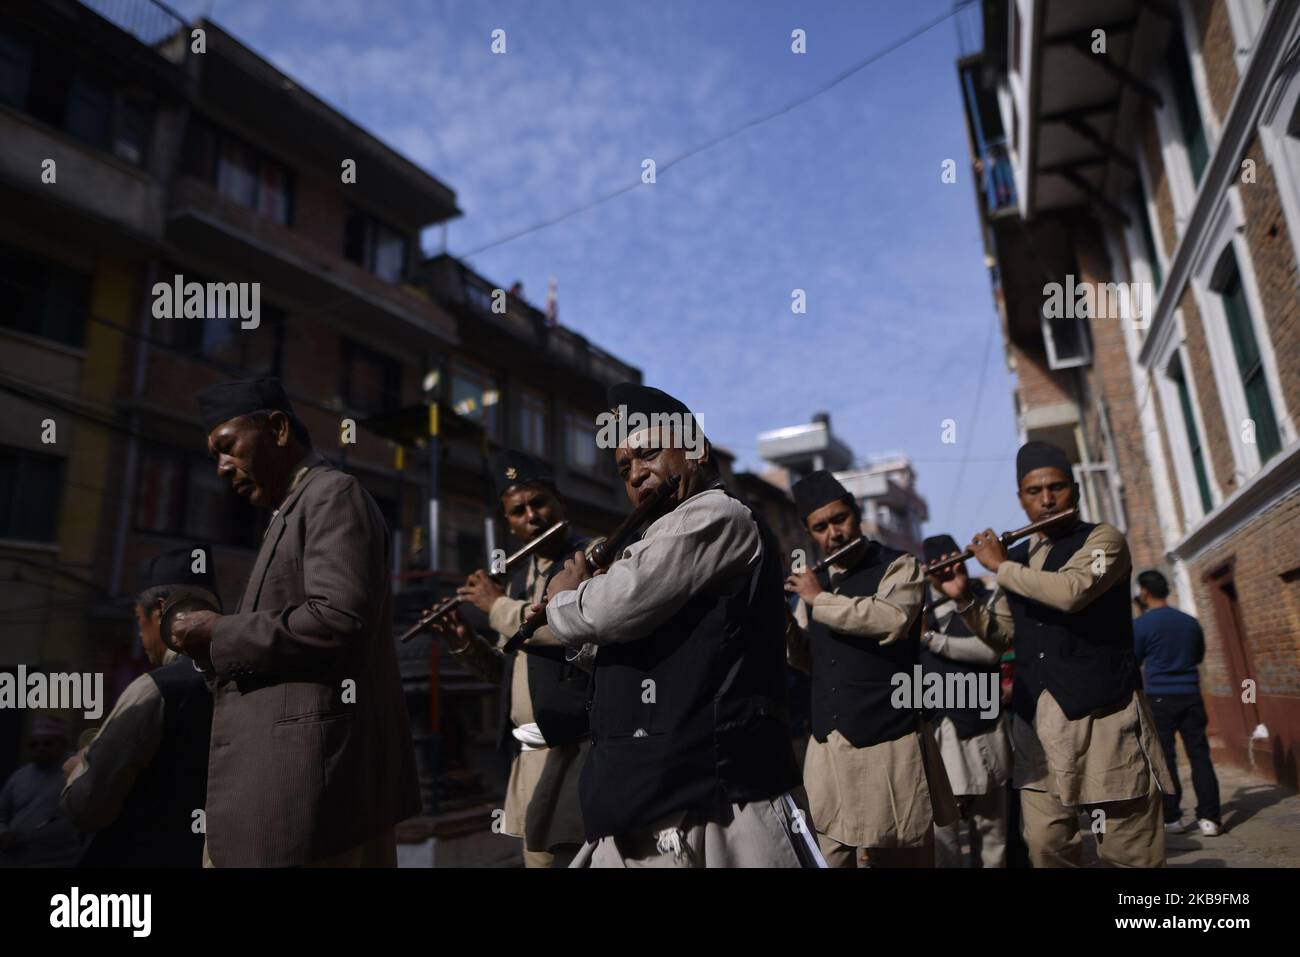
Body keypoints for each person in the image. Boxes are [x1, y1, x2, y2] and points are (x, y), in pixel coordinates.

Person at [541, 383, 812, 867]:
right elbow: (622, 643)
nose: (637, 474)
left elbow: (611, 608)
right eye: (624, 468)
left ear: (696, 450)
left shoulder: (717, 513)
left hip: (715, 801)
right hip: (644, 793)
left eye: (647, 453)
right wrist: (585, 617)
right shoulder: (655, 540)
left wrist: (564, 596)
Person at [169, 377, 419, 867]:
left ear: (279, 429)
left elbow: (338, 619)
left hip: (315, 798)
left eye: (228, 447)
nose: (221, 467)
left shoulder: (332, 494)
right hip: (286, 796)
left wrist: (217, 632)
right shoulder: (291, 508)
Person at [932, 440, 1173, 867]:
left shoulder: (1104, 541)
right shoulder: (1022, 556)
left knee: (1126, 849)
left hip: (1103, 715)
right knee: (1046, 846)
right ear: (1021, 499)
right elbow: (1003, 636)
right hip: (1036, 724)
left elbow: (1071, 592)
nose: (1046, 500)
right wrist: (966, 600)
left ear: (1074, 491)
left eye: (1056, 488)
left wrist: (1000, 567)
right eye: (1034, 492)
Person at [784, 470, 955, 867]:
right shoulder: (819, 582)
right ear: (810, 533)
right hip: (830, 745)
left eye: (839, 519)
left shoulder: (900, 566)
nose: (834, 534)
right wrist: (787, 623)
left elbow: (891, 619)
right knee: (832, 855)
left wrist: (817, 599)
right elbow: (809, 659)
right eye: (821, 527)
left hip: (889, 738)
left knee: (899, 853)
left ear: (856, 514)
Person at [429, 450, 592, 867]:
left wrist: (497, 607)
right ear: (509, 523)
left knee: (572, 859)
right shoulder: (519, 577)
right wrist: (466, 643)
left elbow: (568, 627)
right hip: (526, 754)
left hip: (575, 749)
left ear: (561, 505)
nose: (531, 517)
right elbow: (509, 672)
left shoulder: (589, 559)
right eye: (518, 511)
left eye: (539, 503)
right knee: (534, 860)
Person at [60, 546, 217, 867]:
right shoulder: (245, 684)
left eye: (137, 619)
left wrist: (76, 770)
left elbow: (89, 805)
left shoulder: (156, 689)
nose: (140, 635)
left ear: (160, 612)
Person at [919, 533, 1010, 868]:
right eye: (938, 567)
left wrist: (931, 639)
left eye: (953, 561)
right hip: (938, 733)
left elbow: (990, 650)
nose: (947, 570)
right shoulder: (915, 604)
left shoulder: (983, 596)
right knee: (944, 836)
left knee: (992, 831)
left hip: (982, 728)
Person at [1134, 569, 1221, 837]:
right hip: (1191, 694)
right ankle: (1210, 819)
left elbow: (1134, 661)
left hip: (1160, 697)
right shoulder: (1189, 622)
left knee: (1165, 758)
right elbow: (1197, 656)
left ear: (1144, 593)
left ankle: (1172, 817)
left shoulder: (1141, 625)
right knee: (1200, 755)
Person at [0, 716, 81, 866]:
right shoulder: (20, 776)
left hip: (60, 861)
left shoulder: (78, 772)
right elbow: (2, 813)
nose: (40, 748)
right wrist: (4, 834)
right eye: (34, 745)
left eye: (47, 743)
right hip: (14, 860)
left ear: (63, 743)